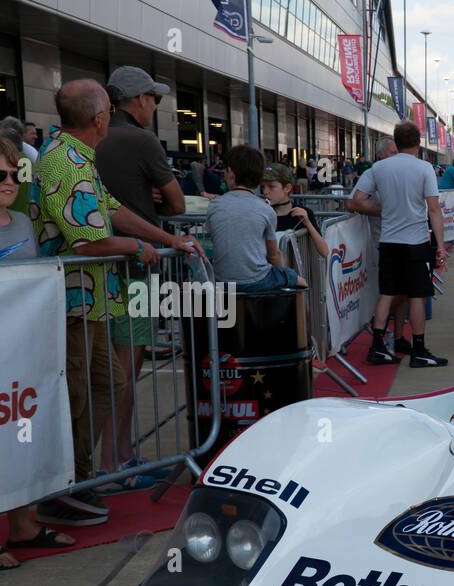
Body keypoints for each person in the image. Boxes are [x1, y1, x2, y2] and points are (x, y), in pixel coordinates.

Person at [31, 79, 198, 527]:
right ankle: (63, 488)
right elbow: (88, 242)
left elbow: (112, 209)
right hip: (72, 305)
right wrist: (134, 248)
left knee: (109, 385)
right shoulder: (64, 163)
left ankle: (79, 479)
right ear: (100, 117)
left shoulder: (78, 158)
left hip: (93, 304)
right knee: (81, 394)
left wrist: (168, 240)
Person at [0, 136, 77, 568]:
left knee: (20, 432)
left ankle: (23, 524)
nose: (9, 182)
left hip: (21, 355)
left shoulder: (21, 224)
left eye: (16, 174)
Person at [95, 65, 186, 492]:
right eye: (154, 98)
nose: (156, 105)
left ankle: (105, 459)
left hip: (92, 268)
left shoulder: (87, 143)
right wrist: (155, 202)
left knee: (102, 371)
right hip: (133, 266)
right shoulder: (140, 140)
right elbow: (177, 203)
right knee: (127, 370)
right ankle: (117, 460)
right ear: (136, 99)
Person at [347, 120, 448, 367]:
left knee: (387, 293)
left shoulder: (379, 169)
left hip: (389, 241)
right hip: (415, 241)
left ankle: (378, 347)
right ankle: (419, 349)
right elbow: (433, 209)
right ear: (417, 143)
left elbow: (356, 200)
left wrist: (382, 208)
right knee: (417, 296)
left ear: (397, 141)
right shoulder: (424, 168)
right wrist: (441, 245)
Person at [206, 144, 305, 293]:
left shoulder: (214, 205)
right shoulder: (266, 210)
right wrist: (282, 274)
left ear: (231, 172)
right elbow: (273, 254)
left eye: (224, 171)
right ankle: (304, 315)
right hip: (257, 280)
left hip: (221, 281)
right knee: (296, 278)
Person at [262, 162, 329, 259]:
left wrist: (308, 223)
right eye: (263, 187)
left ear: (287, 188)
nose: (265, 192)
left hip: (296, 271)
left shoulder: (302, 213)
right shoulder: (263, 214)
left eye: (271, 187)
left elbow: (324, 251)